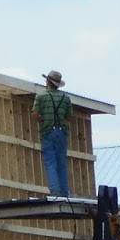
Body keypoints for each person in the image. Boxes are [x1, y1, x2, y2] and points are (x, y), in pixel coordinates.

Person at [31, 69, 73, 197]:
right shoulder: (65, 98)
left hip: (48, 131)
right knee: (61, 163)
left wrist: (43, 119)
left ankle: (54, 191)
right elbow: (69, 116)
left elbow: (34, 114)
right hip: (62, 132)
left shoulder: (41, 96)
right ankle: (65, 192)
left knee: (50, 162)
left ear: (48, 81)